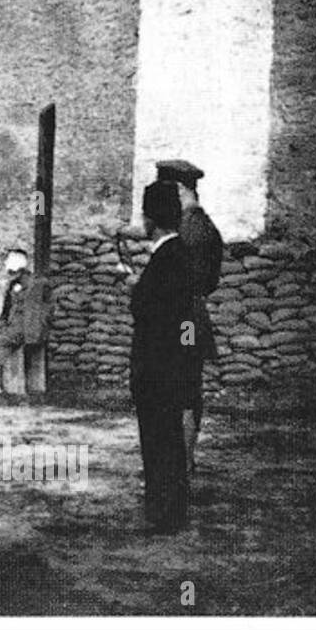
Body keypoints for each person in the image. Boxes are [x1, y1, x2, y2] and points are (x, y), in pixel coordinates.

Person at [130, 180, 193, 534]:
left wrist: (136, 292)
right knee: (165, 441)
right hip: (167, 366)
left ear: (150, 219)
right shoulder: (177, 255)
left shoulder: (167, 259)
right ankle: (170, 512)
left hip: (157, 368)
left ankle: (165, 515)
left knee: (159, 443)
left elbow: (153, 313)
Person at [156, 159, 223, 474]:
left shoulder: (189, 228)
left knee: (180, 387)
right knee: (183, 385)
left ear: (180, 190)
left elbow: (180, 278)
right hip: (188, 313)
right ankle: (181, 459)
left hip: (183, 316)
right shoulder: (199, 224)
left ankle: (180, 461)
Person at [0, 248, 52, 395]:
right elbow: (6, 309)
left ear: (17, 263)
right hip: (10, 327)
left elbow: (36, 314)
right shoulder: (13, 283)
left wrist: (32, 335)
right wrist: (2, 324)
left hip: (24, 329)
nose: (6, 263)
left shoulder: (35, 283)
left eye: (9, 260)